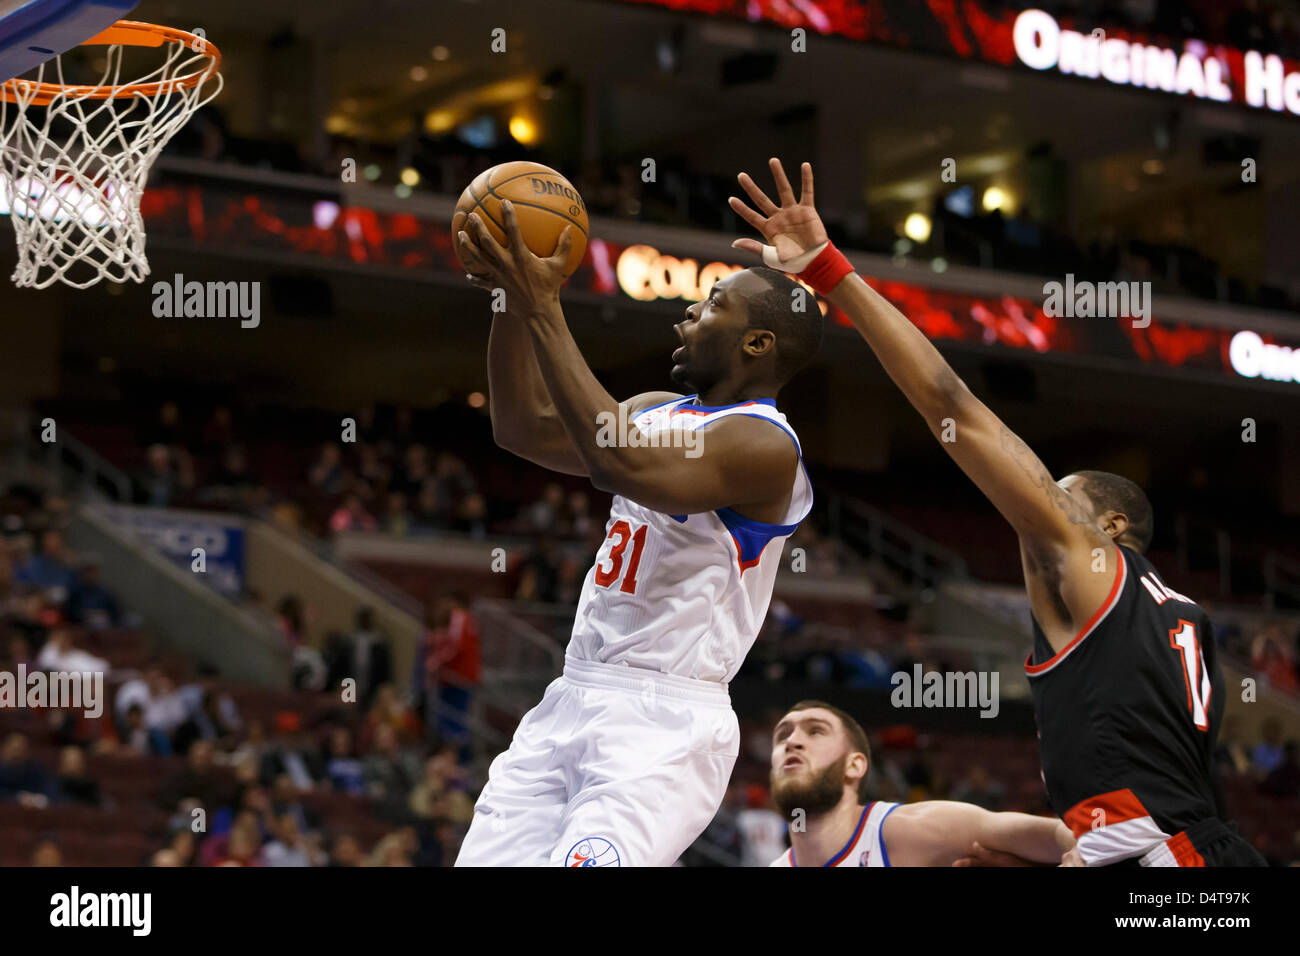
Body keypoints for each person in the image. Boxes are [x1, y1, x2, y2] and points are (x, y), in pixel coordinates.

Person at [730, 158, 1263, 867]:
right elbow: (1145, 776)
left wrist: (829, 271)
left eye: (1061, 495)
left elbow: (953, 405)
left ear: (1107, 528)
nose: (1038, 505)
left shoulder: (1087, 563)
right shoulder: (1181, 614)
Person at [454, 197, 820, 866]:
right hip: (573, 692)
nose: (688, 314)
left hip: (663, 723)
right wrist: (511, 300)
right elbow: (521, 427)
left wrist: (545, 305)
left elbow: (614, 459)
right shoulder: (656, 408)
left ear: (758, 344)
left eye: (713, 306)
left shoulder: (767, 448)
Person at [768, 702, 1074, 867]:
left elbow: (1063, 835)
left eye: (815, 732)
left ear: (855, 765)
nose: (792, 742)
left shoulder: (915, 831)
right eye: (782, 736)